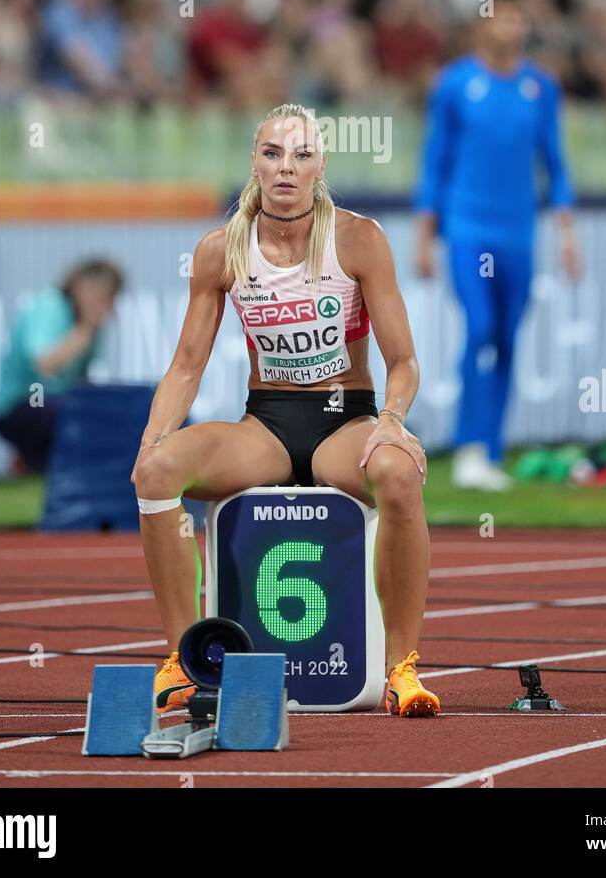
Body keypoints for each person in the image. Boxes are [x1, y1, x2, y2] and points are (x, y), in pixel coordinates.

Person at [132, 103, 440, 719]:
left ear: (320, 165)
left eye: (301, 156)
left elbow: (403, 359)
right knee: (156, 474)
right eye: (273, 154)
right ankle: (182, 661)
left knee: (399, 475)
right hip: (266, 426)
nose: (286, 169)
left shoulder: (358, 239)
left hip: (344, 422)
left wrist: (392, 422)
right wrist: (153, 438)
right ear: (254, 162)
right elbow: (187, 366)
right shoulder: (221, 251)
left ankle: (403, 670)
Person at [414, 0, 581, 491]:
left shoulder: (540, 87)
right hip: (469, 229)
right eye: (500, 17)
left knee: (507, 337)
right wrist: (425, 236)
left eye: (517, 17)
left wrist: (567, 231)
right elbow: (434, 162)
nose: (510, 26)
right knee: (481, 326)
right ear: (482, 25)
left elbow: (555, 162)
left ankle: (491, 448)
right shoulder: (456, 85)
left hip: (519, 233)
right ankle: (468, 446)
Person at [0, 259, 124, 474]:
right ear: (83, 290)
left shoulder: (88, 325)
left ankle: (34, 462)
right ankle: (32, 459)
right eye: (105, 298)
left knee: (94, 411)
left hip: (53, 406)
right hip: (21, 405)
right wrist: (86, 328)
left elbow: (80, 379)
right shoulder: (50, 306)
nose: (107, 307)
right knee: (69, 412)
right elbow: (44, 364)